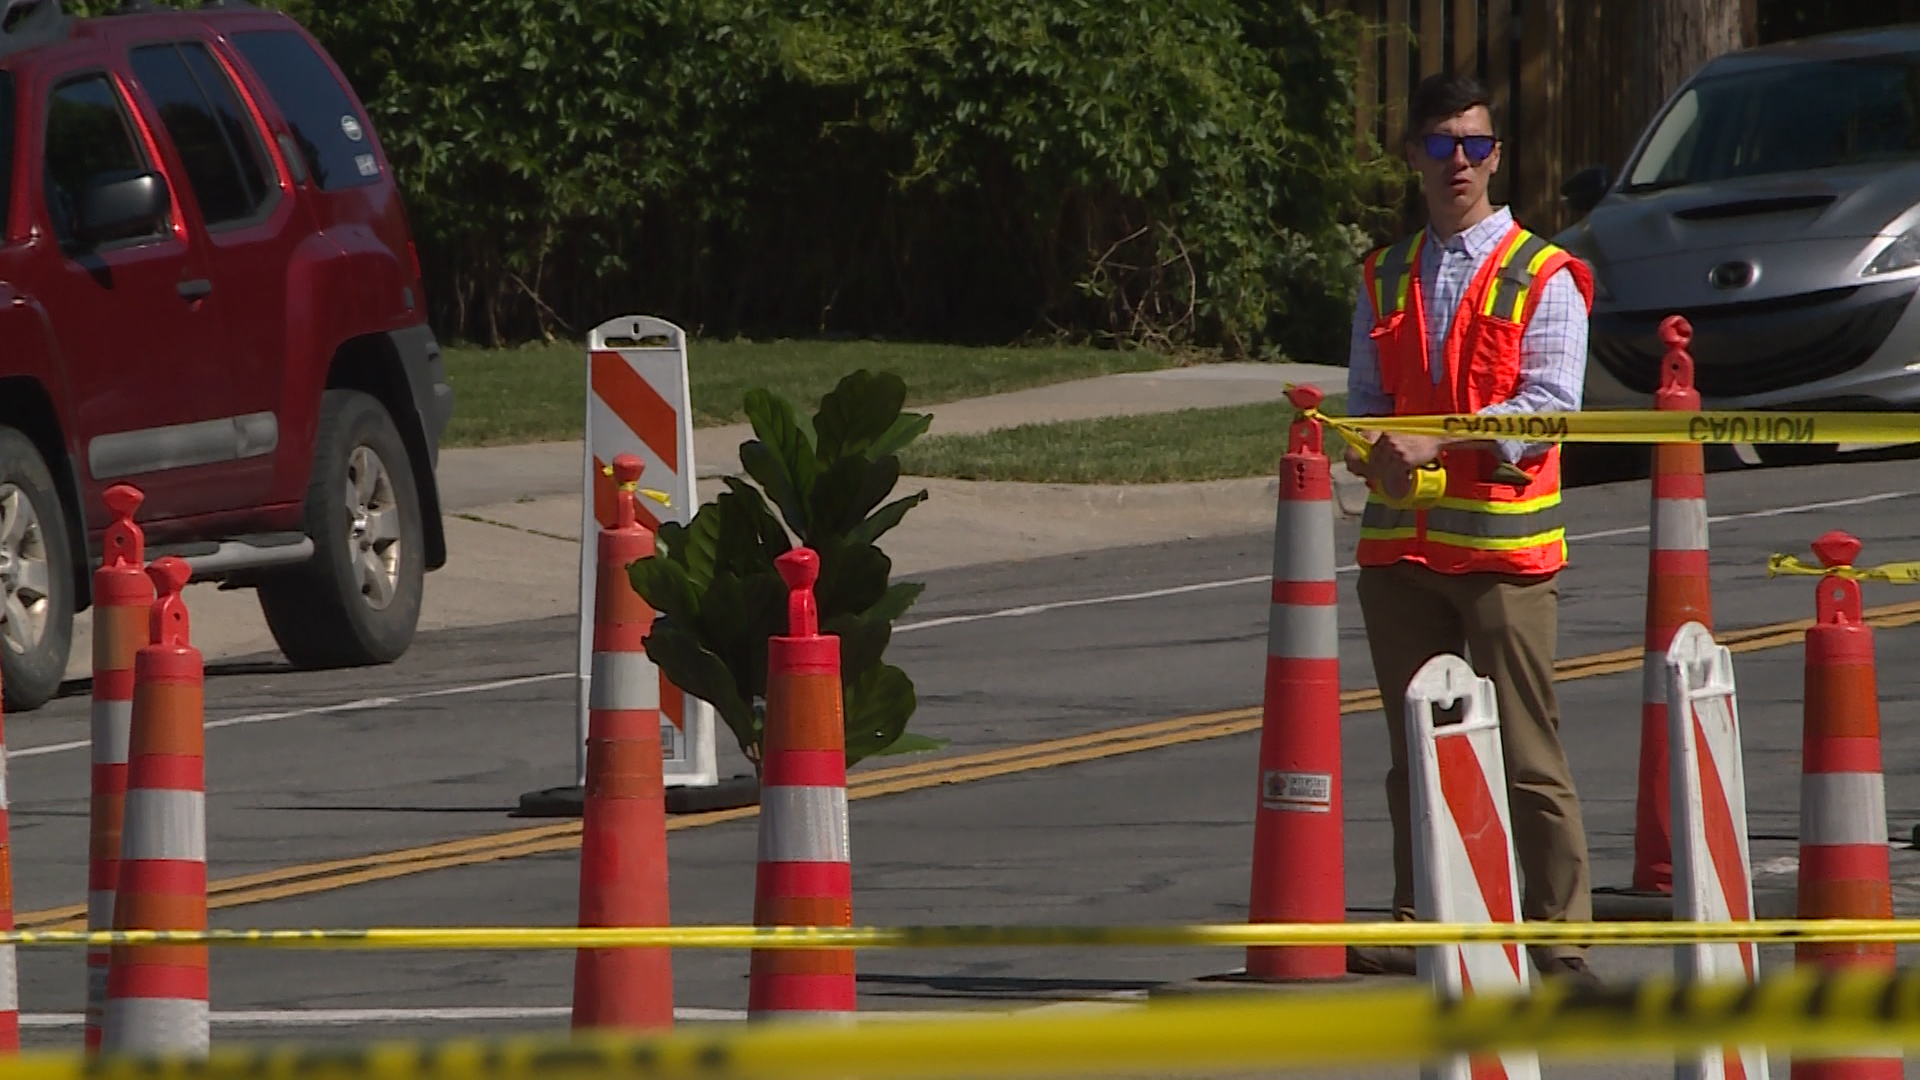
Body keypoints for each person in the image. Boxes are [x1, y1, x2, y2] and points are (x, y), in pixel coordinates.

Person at [1341, 73, 1599, 988]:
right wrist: (1367, 446)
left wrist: (1434, 436)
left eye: (1477, 145)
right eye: (1443, 144)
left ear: (1498, 157)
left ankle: (1563, 934)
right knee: (1414, 752)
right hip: (1401, 552)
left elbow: (1547, 410)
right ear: (1412, 154)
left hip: (1502, 554)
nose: (1461, 162)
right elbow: (1367, 405)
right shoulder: (1382, 273)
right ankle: (1422, 919)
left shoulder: (1543, 273)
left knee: (1529, 752)